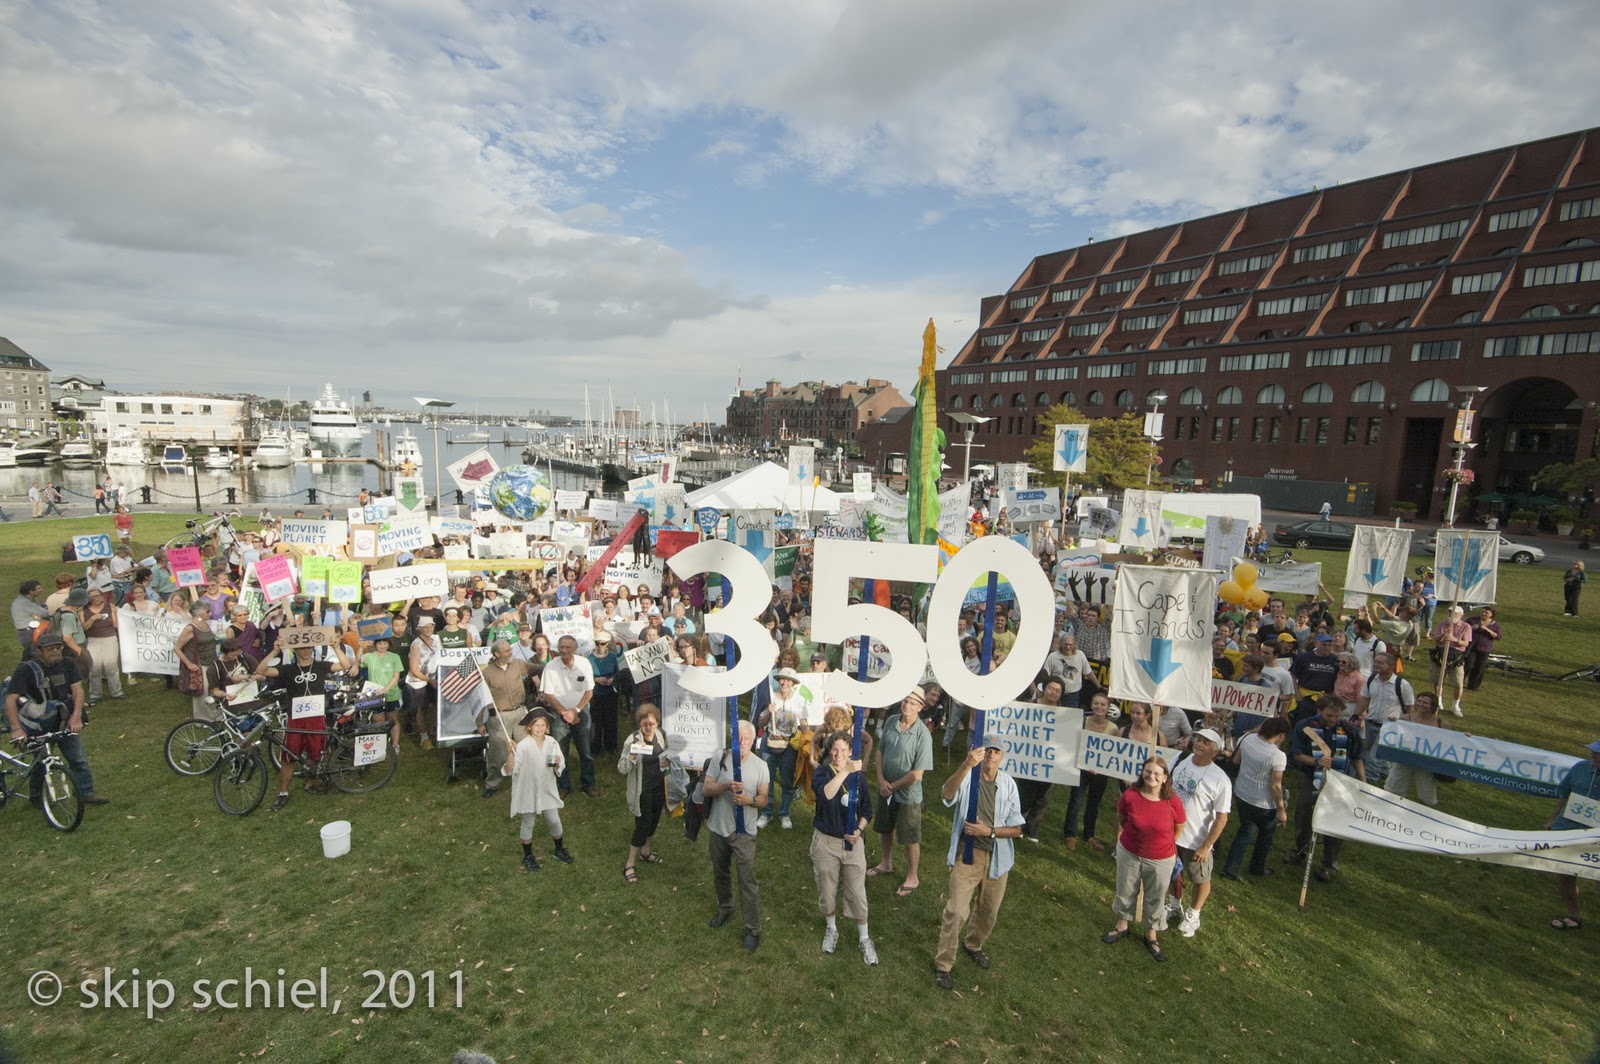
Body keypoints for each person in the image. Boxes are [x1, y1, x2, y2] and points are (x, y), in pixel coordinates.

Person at [932, 733, 1025, 990]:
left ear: (1002, 756)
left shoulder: (1008, 785)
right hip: (967, 856)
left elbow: (1017, 828)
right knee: (956, 911)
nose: (991, 755)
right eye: (988, 750)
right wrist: (965, 765)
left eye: (996, 751)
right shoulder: (969, 777)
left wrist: (990, 831)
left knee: (988, 911)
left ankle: (974, 944)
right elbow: (946, 795)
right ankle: (943, 965)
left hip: (997, 859)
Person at [4, 630, 109, 806]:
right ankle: (37, 797)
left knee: (77, 758)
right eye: (50, 649)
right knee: (40, 761)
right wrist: (16, 729)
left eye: (58, 647)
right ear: (40, 651)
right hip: (39, 723)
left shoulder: (68, 664)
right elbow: (10, 700)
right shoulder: (26, 670)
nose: (55, 651)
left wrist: (76, 717)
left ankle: (86, 793)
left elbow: (77, 690)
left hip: (64, 719)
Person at [256, 639, 356, 811]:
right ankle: (283, 792)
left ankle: (309, 783)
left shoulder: (320, 666)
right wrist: (274, 650)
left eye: (309, 647)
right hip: (296, 717)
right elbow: (260, 670)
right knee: (289, 756)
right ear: (295, 650)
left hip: (315, 716)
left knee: (315, 751)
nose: (306, 651)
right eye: (302, 648)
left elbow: (345, 664)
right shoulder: (288, 669)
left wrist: (334, 647)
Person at [1103, 756, 1185, 963]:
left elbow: (1179, 828)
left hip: (1161, 859)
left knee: (1155, 897)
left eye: (1157, 773)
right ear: (1142, 773)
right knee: (1125, 889)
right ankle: (1122, 925)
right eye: (1148, 772)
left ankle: (1152, 934)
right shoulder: (1130, 795)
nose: (1152, 776)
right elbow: (1122, 818)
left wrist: (1162, 845)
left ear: (1165, 777)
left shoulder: (1173, 801)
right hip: (1130, 852)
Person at [811, 730, 878, 965]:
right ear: (831, 752)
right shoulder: (822, 772)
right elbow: (827, 794)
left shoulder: (858, 778)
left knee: (857, 892)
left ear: (851, 751)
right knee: (827, 889)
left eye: (844, 750)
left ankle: (864, 938)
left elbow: (867, 810)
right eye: (835, 750)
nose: (839, 754)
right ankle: (831, 929)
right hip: (826, 842)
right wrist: (846, 771)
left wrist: (858, 831)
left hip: (852, 844)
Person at [703, 720, 770, 952]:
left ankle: (753, 928)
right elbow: (706, 788)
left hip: (744, 833)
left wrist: (748, 800)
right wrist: (726, 786)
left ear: (753, 742)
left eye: (746, 739)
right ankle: (725, 908)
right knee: (720, 872)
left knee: (747, 880)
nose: (741, 743)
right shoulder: (719, 758)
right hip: (718, 828)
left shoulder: (761, 766)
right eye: (738, 738)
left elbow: (763, 798)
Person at [1288, 696, 1366, 881]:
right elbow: (1297, 755)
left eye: (1337, 716)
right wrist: (1316, 761)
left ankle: (1329, 863)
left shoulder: (1348, 730)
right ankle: (1300, 851)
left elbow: (1357, 757)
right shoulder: (1304, 727)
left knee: (1336, 821)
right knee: (1304, 813)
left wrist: (1362, 782)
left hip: (1339, 780)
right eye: (1329, 715)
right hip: (1311, 777)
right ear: (1319, 710)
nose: (1333, 719)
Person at [869, 687, 936, 897]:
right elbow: (880, 752)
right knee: (885, 827)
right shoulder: (891, 721)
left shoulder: (923, 735)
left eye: (913, 703)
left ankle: (912, 876)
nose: (907, 706)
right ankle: (886, 863)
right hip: (885, 788)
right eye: (905, 701)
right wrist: (880, 780)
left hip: (908, 794)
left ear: (921, 707)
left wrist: (892, 786)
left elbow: (917, 773)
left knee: (909, 835)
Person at [1168, 729, 1233, 939]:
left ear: (1214, 751)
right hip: (1171, 832)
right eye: (1198, 739)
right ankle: (1174, 905)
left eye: (1206, 742)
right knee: (1172, 871)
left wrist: (1206, 846)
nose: (1199, 744)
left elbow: (1222, 817)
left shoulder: (1220, 779)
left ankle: (1194, 914)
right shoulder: (1181, 759)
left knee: (1200, 878)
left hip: (1196, 839)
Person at [1221, 717, 1291, 880]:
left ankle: (1232, 867)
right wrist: (1281, 809)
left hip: (1241, 793)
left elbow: (1236, 760)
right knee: (1265, 834)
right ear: (1281, 735)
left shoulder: (1247, 739)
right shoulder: (1278, 756)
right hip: (1263, 803)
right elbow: (1275, 786)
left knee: (1247, 828)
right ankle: (1256, 866)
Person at [503, 709, 572, 872]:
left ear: (547, 726)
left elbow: (560, 762)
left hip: (547, 789)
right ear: (529, 727)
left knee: (554, 820)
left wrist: (557, 762)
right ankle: (528, 855)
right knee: (528, 822)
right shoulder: (523, 746)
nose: (539, 729)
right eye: (536, 725)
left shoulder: (552, 742)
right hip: (528, 790)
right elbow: (510, 769)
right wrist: (510, 755)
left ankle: (559, 849)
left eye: (543, 725)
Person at [1546, 737, 1600, 931]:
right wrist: (1552, 819)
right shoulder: (1580, 768)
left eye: (1598, 753)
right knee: (1566, 872)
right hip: (1566, 829)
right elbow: (1564, 793)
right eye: (1593, 751)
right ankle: (1573, 916)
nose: (1594, 755)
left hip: (1596, 837)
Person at [541, 635, 598, 798]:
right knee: (560, 752)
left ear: (575, 649)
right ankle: (563, 786)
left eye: (568, 647)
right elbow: (549, 696)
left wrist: (575, 711)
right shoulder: (551, 667)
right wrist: (565, 713)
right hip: (559, 715)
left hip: (581, 712)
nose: (564, 650)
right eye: (561, 647)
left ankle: (588, 784)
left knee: (585, 751)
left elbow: (589, 691)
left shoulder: (584, 663)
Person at [619, 703, 669, 883]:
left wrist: (666, 763)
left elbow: (664, 756)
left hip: (658, 786)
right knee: (642, 825)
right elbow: (622, 768)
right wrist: (632, 756)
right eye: (644, 723)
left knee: (654, 820)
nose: (648, 727)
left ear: (657, 723)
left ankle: (646, 852)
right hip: (642, 790)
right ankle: (629, 864)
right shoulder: (631, 741)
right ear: (639, 723)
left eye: (651, 723)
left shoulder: (661, 735)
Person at [1063, 692, 1119, 850]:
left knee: (1094, 804)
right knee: (1075, 801)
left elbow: (1113, 753)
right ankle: (1070, 834)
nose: (1099, 707)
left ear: (1108, 707)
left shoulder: (1113, 728)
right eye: (1096, 703)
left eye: (1103, 704)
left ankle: (1089, 835)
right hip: (1080, 769)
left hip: (1100, 773)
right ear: (1091, 704)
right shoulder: (1082, 722)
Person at [478, 639, 530, 799]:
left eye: (510, 649)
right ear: (497, 654)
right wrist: (479, 722)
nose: (510, 652)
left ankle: (527, 781)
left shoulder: (519, 664)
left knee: (526, 747)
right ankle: (492, 784)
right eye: (507, 650)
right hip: (500, 717)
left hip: (520, 712)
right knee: (498, 752)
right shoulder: (487, 674)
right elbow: (480, 698)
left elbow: (539, 669)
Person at [758, 667, 807, 830]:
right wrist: (768, 712)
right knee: (767, 779)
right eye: (782, 679)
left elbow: (804, 724)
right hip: (769, 742)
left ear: (793, 683)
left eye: (788, 680)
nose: (784, 682)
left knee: (787, 780)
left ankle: (784, 814)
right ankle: (766, 813)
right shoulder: (771, 698)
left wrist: (807, 741)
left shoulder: (799, 700)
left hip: (789, 745)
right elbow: (761, 723)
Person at [1355, 651, 1413, 784]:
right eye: (1375, 662)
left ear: (1391, 665)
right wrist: (1356, 715)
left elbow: (1410, 708)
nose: (1376, 665)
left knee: (1373, 758)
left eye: (1380, 663)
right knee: (1378, 755)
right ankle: (1386, 775)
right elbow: (1365, 699)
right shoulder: (1371, 680)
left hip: (1389, 728)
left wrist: (1404, 724)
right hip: (1371, 723)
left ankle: (1369, 784)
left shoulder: (1402, 685)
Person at [1383, 691, 1448, 807]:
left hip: (1426, 762)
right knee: (1393, 789)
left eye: (1425, 703)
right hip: (1404, 758)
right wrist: (1392, 725)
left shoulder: (1441, 723)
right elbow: (1396, 736)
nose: (1421, 704)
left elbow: (1452, 741)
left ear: (1433, 706)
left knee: (1426, 794)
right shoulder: (1406, 718)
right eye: (1419, 701)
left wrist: (1466, 737)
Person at [173, 603, 220, 720]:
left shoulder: (206, 625)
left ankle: (216, 714)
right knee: (202, 691)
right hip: (199, 664)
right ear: (198, 613)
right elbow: (177, 648)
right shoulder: (190, 628)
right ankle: (203, 718)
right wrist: (189, 664)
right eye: (207, 612)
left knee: (214, 689)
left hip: (212, 662)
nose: (210, 614)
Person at [80, 588, 123, 703]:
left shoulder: (110, 606)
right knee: (94, 668)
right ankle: (95, 694)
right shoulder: (83, 610)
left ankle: (117, 692)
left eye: (98, 595)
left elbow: (115, 624)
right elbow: (83, 627)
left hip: (109, 637)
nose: (96, 598)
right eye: (92, 596)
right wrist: (93, 618)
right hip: (92, 639)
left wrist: (116, 614)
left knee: (112, 666)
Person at [362, 635, 405, 750]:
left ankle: (395, 744)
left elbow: (396, 676)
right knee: (378, 720)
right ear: (375, 644)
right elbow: (358, 660)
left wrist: (386, 689)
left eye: (385, 643)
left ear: (389, 644)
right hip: (375, 695)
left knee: (393, 719)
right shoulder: (369, 656)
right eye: (379, 643)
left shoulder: (395, 657)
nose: (382, 646)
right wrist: (360, 647)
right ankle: (381, 745)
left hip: (391, 694)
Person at [1428, 605, 1471, 717]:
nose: (1452, 615)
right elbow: (1435, 639)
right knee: (1437, 680)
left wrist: (1454, 639)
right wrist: (1443, 634)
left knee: (1458, 682)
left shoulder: (1466, 626)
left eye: (1455, 613)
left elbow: (1466, 643)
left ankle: (1455, 705)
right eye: (1450, 612)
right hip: (1441, 653)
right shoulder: (1442, 624)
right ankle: (1439, 701)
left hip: (1455, 656)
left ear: (1460, 615)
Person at [588, 630, 622, 758]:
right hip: (595, 693)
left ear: (607, 644)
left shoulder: (612, 657)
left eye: (602, 643)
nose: (600, 646)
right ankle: (595, 747)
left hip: (609, 692)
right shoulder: (589, 658)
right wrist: (596, 680)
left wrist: (612, 679)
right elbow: (585, 676)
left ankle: (611, 746)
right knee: (595, 721)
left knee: (610, 720)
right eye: (597, 643)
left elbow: (616, 672)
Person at [1462, 607, 1501, 692]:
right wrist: (1471, 628)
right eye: (1482, 612)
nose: (1483, 614)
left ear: (1491, 615)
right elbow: (1462, 628)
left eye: (1486, 613)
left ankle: (1473, 685)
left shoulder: (1495, 625)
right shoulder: (1472, 620)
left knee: (1480, 667)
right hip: (1471, 647)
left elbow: (1498, 636)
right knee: (1469, 664)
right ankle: (1460, 681)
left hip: (1484, 649)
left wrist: (1486, 629)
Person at [12, 580, 49, 647]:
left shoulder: (26, 599)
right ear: (31, 591)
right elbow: (45, 613)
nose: (41, 590)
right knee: (33, 652)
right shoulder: (25, 602)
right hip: (27, 631)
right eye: (38, 588)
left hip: (25, 630)